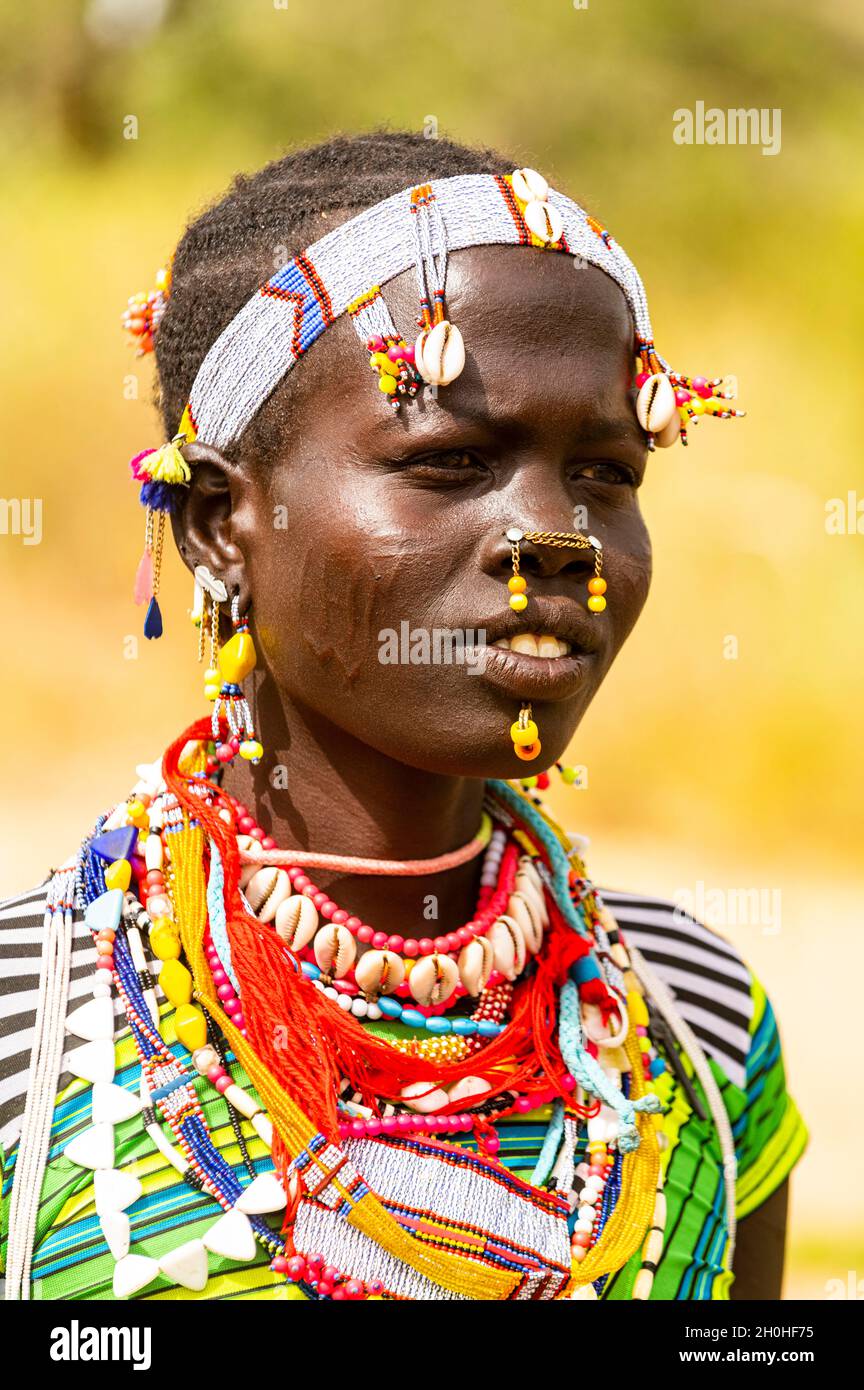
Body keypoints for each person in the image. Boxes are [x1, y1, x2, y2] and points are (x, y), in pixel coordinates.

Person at [0, 132, 806, 1302]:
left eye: (608, 473)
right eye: (451, 460)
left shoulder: (694, 1023)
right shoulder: (34, 1025)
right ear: (222, 523)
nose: (555, 533)